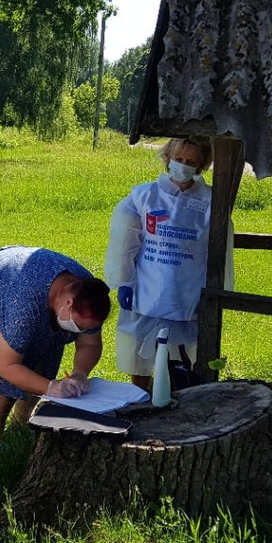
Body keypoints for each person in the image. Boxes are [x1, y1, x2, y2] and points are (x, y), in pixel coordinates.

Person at [104, 137, 233, 392]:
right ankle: (140, 394)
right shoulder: (144, 196)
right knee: (140, 348)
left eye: (191, 162)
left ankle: (180, 395)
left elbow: (220, 248)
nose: (183, 166)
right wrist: (124, 281)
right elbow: (125, 240)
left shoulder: (211, 202)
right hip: (148, 286)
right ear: (167, 158)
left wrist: (218, 291)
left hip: (187, 289)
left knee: (183, 351)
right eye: (179, 159)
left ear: (201, 165)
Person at [0, 246, 111, 447]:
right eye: (78, 326)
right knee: (7, 373)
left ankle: (21, 426)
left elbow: (90, 343)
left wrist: (80, 374)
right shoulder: (23, 303)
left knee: (42, 357)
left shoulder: (89, 295)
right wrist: (51, 388)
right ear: (67, 303)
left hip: (24, 292)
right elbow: (6, 366)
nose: (79, 331)